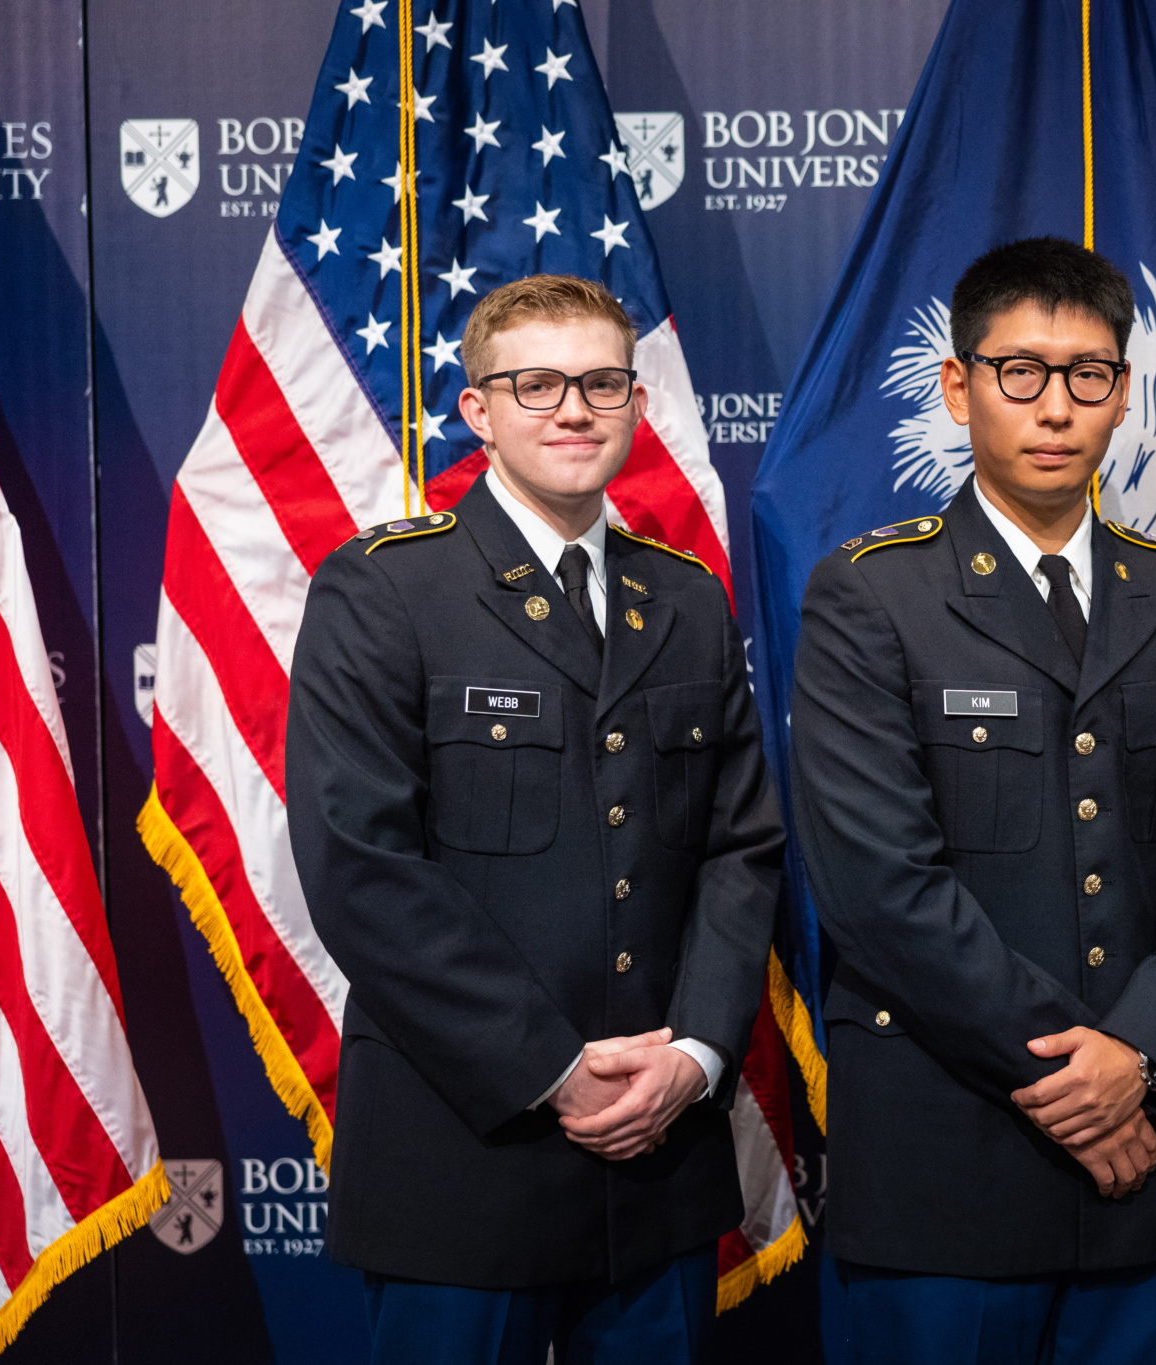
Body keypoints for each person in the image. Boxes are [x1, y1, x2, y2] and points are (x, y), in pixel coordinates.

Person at [788, 237, 1156, 1365]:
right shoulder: (870, 595)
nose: (1053, 407)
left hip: (1143, 1161)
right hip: (947, 1166)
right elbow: (878, 887)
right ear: (958, 387)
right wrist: (1074, 1084)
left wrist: (1138, 1060)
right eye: (1020, 372)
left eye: (1087, 374)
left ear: (1120, 393)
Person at [286, 274, 783, 1364]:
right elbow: (360, 867)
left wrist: (695, 1055)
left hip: (659, 1147)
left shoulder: (687, 599)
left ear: (636, 403)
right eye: (537, 384)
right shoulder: (383, 592)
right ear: (477, 411)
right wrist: (554, 1069)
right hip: (464, 1148)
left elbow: (739, 851)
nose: (573, 409)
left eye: (602, 381)